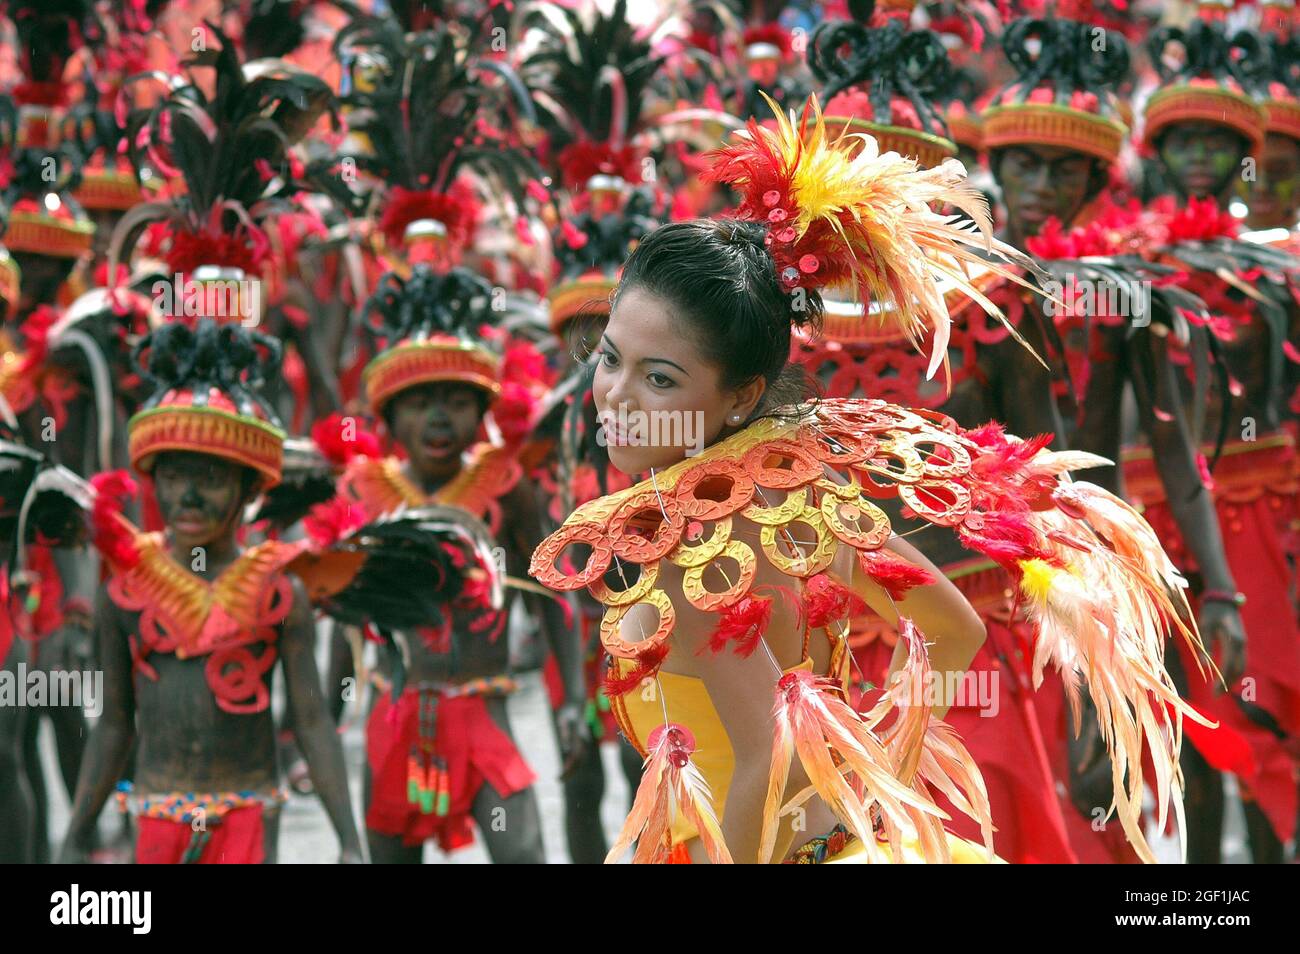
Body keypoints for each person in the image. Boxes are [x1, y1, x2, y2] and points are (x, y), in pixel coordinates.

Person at [530, 97, 1209, 864]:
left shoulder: (692, 549)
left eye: (658, 378)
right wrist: (870, 781)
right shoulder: (808, 487)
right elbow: (956, 632)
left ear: (744, 394)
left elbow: (766, 759)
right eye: (610, 357)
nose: (616, 397)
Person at [59, 319, 365, 864]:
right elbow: (112, 724)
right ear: (154, 479)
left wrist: (348, 838)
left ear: (250, 486)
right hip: (154, 819)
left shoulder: (280, 591)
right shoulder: (125, 591)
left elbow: (312, 720)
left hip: (247, 818)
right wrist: (79, 828)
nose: (190, 497)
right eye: (175, 477)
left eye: (212, 478)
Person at [335, 264, 589, 863]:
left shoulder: (507, 489)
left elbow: (551, 595)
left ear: (482, 414)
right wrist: (322, 711)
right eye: (420, 404)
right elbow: (342, 617)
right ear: (390, 418)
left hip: (484, 714)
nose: (439, 419)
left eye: (455, 401)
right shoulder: (362, 496)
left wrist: (573, 696)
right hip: (394, 716)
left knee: (522, 852)